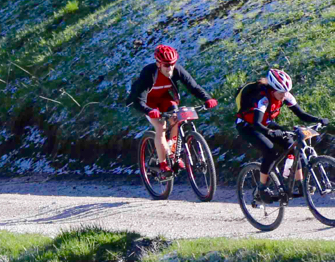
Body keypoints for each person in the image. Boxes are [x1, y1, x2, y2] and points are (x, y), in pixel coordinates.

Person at [236, 67, 324, 199]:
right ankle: (262, 188)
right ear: (273, 90)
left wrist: (318, 120)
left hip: (265, 123)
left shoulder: (284, 94)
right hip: (247, 126)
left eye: (286, 92)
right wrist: (270, 132)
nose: (284, 95)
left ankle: (300, 184)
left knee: (292, 145)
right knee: (270, 151)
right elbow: (257, 124)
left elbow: (301, 114)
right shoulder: (263, 99)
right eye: (281, 92)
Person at [127, 44, 216, 175]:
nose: (170, 68)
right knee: (161, 126)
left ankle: (174, 155)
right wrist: (148, 110)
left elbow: (193, 86)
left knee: (176, 119)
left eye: (173, 64)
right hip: (148, 102)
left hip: (165, 98)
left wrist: (207, 98)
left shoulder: (177, 70)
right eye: (166, 65)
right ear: (158, 64)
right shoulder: (149, 73)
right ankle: (163, 164)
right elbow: (139, 99)